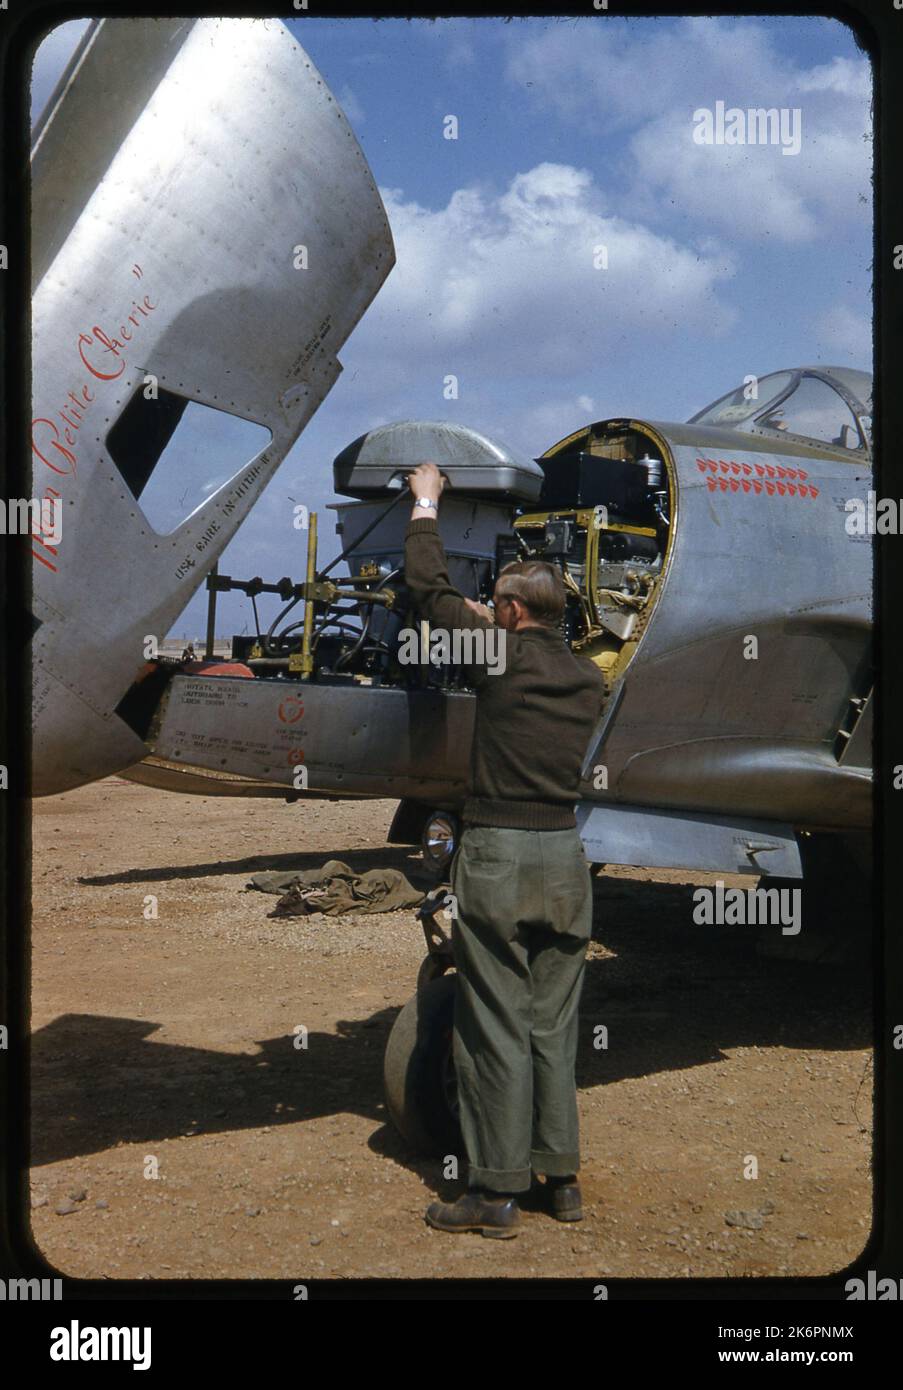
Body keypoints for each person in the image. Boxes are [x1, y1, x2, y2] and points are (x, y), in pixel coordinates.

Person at [403, 461, 606, 1239]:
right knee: (553, 1026)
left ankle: (493, 1195)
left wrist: (426, 505)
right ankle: (561, 1181)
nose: (487, 612)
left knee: (492, 1025)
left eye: (495, 606)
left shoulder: (498, 655)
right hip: (565, 861)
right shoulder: (587, 678)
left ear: (512, 611)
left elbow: (428, 591)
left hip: (500, 859)